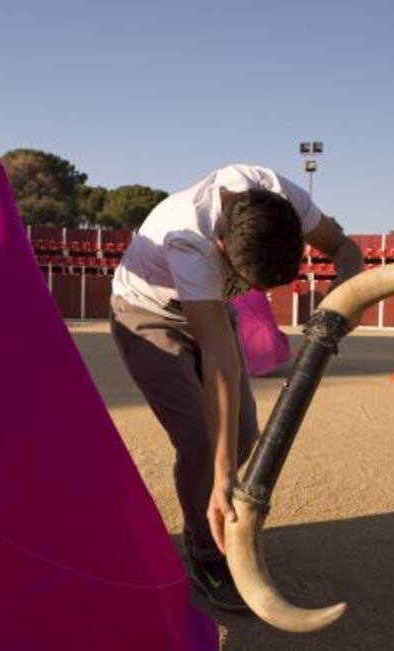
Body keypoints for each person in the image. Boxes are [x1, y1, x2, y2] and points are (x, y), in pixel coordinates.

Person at [109, 164, 363, 611]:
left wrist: (343, 296)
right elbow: (220, 364)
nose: (249, 289)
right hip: (148, 316)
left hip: (214, 313)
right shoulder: (188, 239)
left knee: (243, 434)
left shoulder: (281, 196)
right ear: (223, 245)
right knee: (203, 442)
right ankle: (206, 554)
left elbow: (344, 248)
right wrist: (224, 477)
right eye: (247, 281)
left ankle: (210, 514)